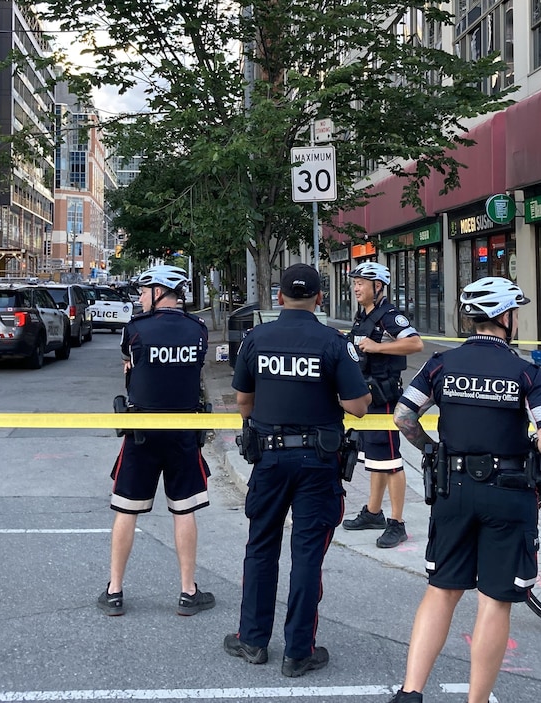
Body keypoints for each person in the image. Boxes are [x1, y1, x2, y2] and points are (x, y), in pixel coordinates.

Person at [385, 276, 541, 703]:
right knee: (493, 600)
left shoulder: (441, 364)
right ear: (505, 318)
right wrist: (531, 447)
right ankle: (477, 700)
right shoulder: (526, 371)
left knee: (442, 590)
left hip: (454, 487)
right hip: (508, 489)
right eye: (515, 313)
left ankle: (410, 692)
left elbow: (403, 417)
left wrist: (433, 450)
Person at [224, 263, 371, 678]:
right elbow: (358, 406)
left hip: (269, 459)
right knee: (307, 555)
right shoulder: (333, 342)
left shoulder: (257, 337)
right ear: (320, 298)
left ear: (279, 297)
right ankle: (297, 652)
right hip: (318, 462)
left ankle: (252, 641)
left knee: (261, 547)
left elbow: (243, 403)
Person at [98, 264, 216, 618]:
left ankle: (115, 590)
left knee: (126, 510)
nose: (139, 296)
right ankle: (187, 591)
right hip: (183, 432)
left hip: (142, 433)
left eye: (144, 290)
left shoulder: (135, 329)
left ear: (162, 291)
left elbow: (128, 364)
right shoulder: (198, 329)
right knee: (185, 510)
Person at [341, 261, 424, 549]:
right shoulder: (362, 316)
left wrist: (378, 347)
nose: (356, 287)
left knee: (391, 462)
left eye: (362, 282)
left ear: (378, 286)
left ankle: (397, 523)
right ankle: (373, 512)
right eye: (355, 282)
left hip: (385, 397)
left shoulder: (389, 316)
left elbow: (415, 344)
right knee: (376, 458)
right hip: (368, 397)